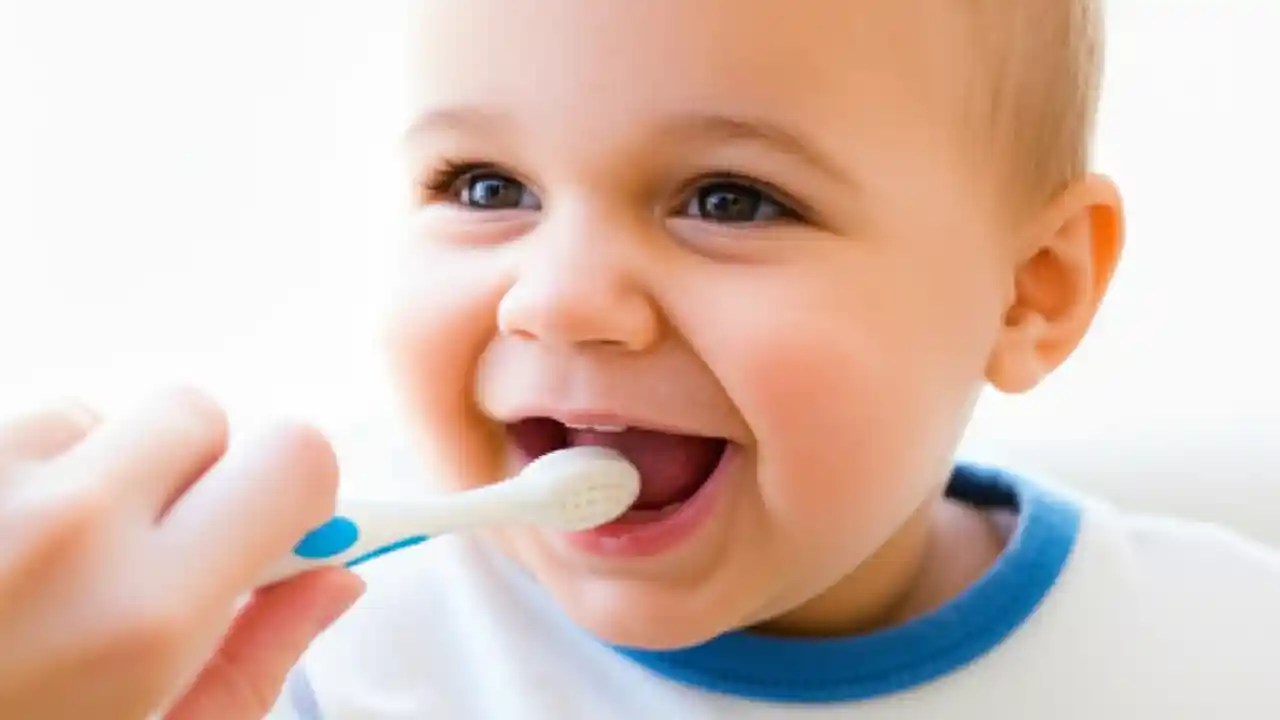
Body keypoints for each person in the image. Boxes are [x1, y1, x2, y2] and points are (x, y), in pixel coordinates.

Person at [3, 1, 1278, 718]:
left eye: (728, 199)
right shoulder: (303, 663)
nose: (559, 303)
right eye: (485, 183)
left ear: (1029, 294)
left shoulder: (1222, 656)